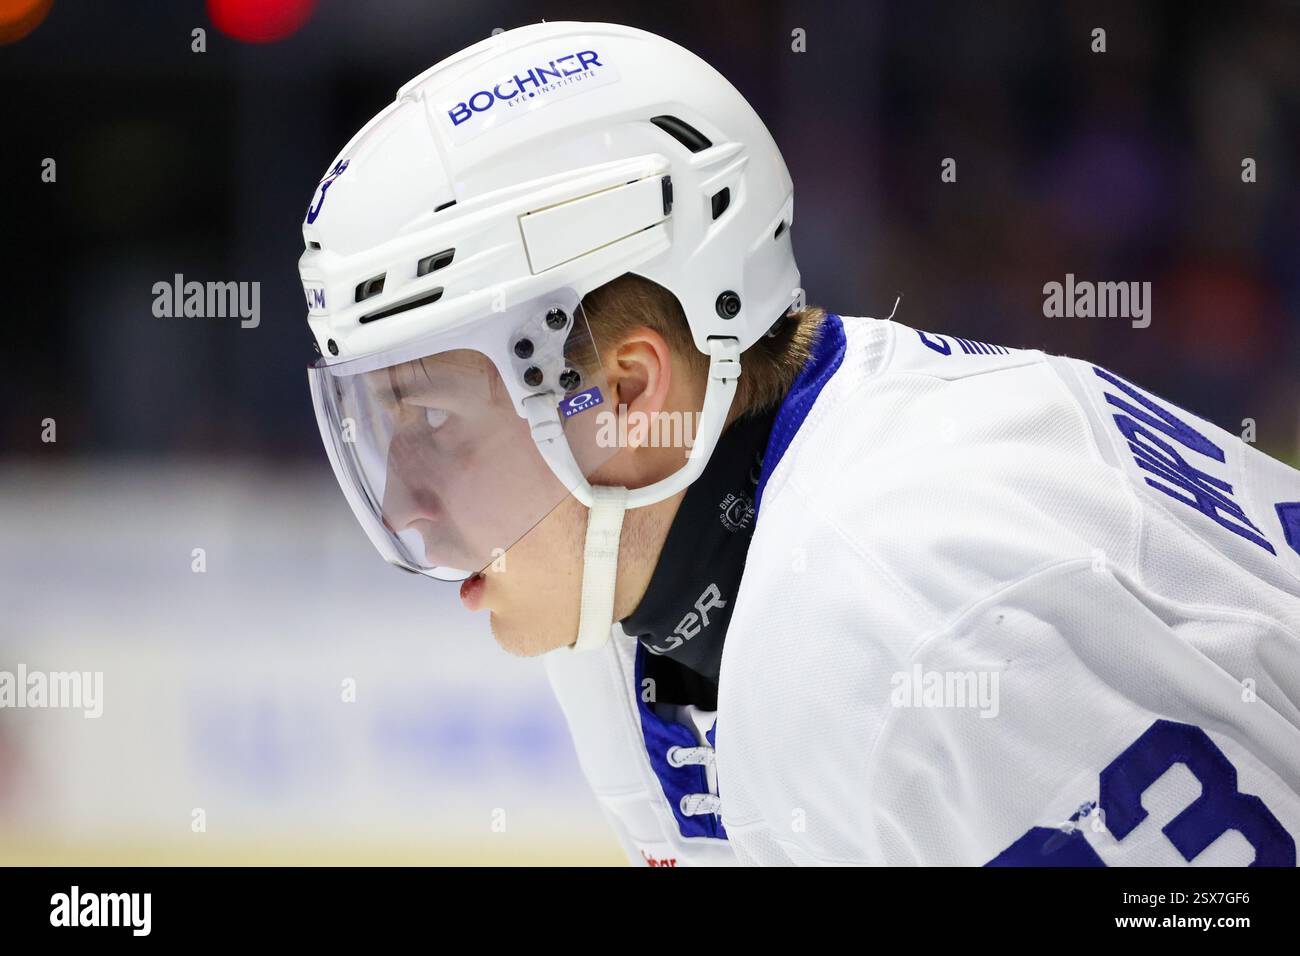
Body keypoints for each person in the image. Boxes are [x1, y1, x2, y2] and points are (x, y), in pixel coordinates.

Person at [300, 20, 1300, 866]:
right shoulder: (636, 591)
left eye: (432, 422)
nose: (411, 500)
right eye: (382, 426)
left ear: (628, 390)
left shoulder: (896, 616)